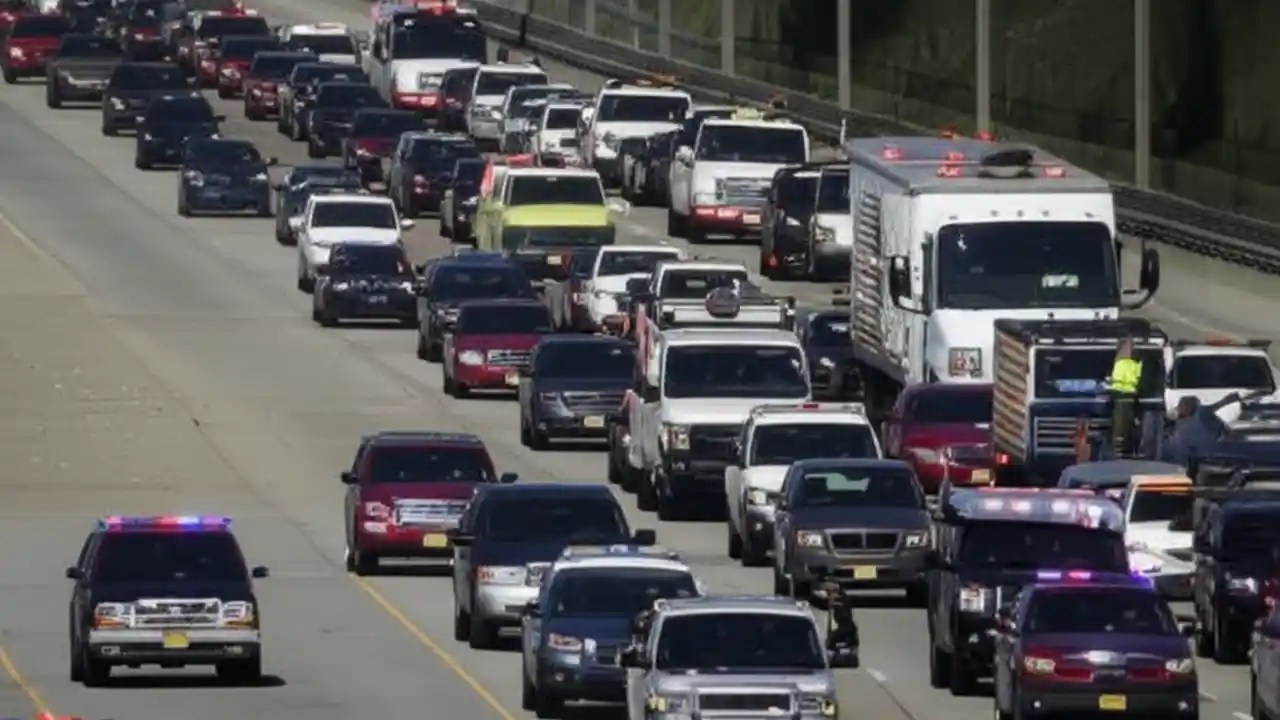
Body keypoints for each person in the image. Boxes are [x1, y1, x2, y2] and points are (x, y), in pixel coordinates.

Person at [1105, 338, 1143, 454]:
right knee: (1124, 425)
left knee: (1121, 425)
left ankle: (1120, 448)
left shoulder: (1120, 363)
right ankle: (1122, 447)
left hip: (1123, 397)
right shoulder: (1134, 364)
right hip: (1126, 397)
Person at [823, 582, 859, 667]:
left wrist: (833, 602)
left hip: (846, 627)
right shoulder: (837, 600)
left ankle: (830, 655)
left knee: (832, 638)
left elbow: (840, 606)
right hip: (843, 627)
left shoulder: (841, 600)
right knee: (831, 637)